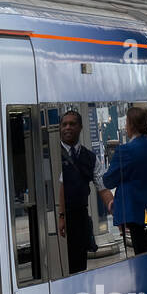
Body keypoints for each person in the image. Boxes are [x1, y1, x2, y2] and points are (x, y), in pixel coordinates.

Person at [102, 106, 147, 255]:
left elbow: (108, 181)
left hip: (138, 217)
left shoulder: (125, 151)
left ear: (131, 125)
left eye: (126, 122)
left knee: (143, 259)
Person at [57, 110, 114, 274]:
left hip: (80, 219)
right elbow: (59, 186)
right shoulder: (52, 155)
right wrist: (61, 216)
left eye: (72, 124)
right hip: (60, 218)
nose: (67, 128)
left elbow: (102, 186)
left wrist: (112, 205)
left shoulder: (90, 157)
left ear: (81, 127)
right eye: (64, 124)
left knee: (79, 266)